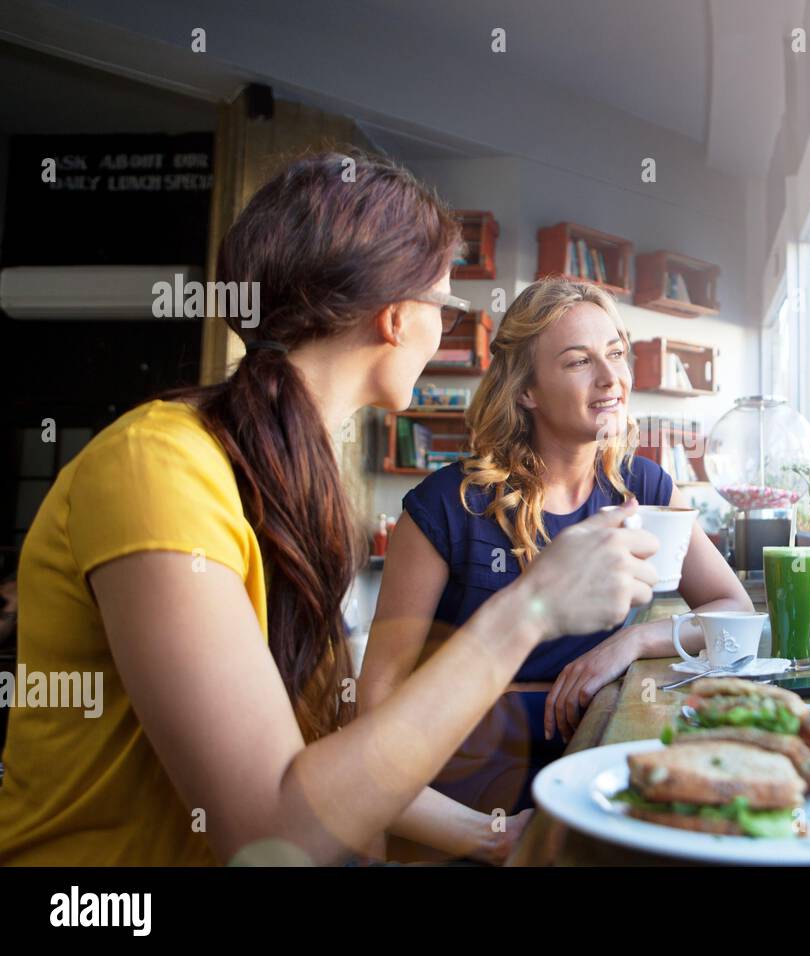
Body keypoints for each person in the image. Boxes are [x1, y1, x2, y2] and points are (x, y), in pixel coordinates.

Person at [0, 150, 659, 866]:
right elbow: (271, 831)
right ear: (396, 318)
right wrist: (533, 606)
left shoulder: (285, 482)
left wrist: (495, 837)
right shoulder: (159, 467)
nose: (443, 326)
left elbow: (337, 760)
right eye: (442, 305)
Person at [357, 277, 752, 827]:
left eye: (616, 353)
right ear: (527, 389)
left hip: (597, 770)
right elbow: (373, 714)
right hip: (464, 795)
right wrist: (486, 837)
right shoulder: (443, 509)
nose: (612, 378)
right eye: (577, 362)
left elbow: (736, 617)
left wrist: (630, 643)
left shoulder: (650, 488)